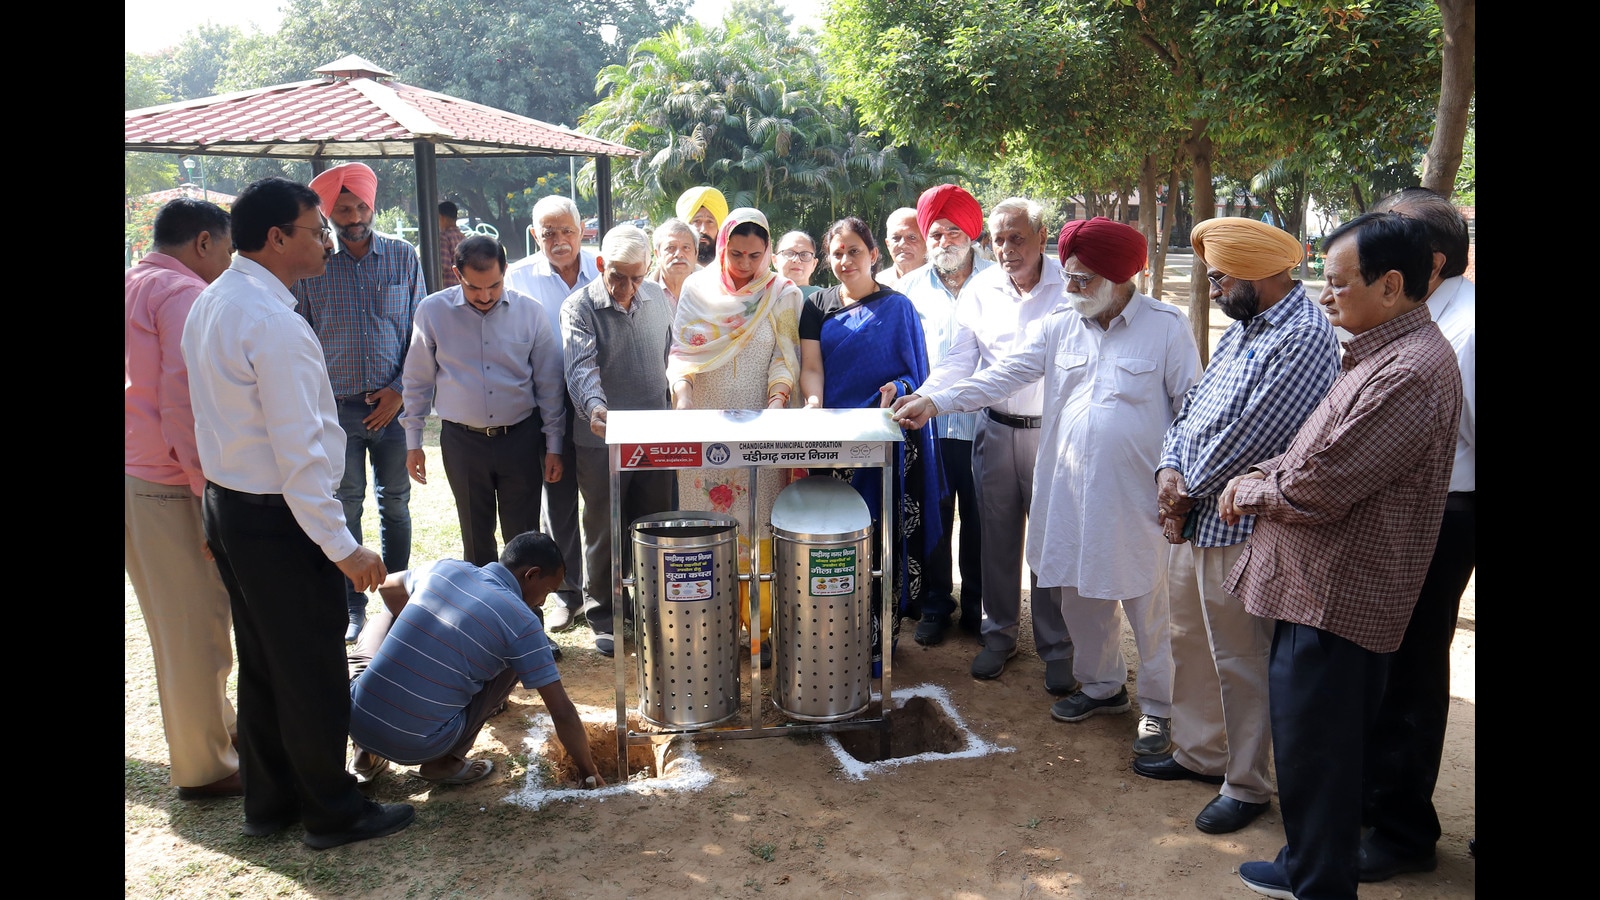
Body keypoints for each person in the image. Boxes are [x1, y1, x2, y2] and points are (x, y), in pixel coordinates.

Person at [892, 216, 1201, 758]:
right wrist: (936, 400)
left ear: (1118, 278)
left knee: (1143, 602)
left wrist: (1179, 477)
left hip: (1135, 497)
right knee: (1079, 594)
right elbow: (1003, 374)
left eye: (1083, 279)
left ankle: (1159, 708)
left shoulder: (1166, 326)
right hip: (1068, 486)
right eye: (1072, 276)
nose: (1072, 286)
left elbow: (1191, 409)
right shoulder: (1062, 324)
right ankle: (1103, 688)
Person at [1226, 212, 1463, 900]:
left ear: (1391, 286)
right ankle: (1308, 862)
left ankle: (1321, 883)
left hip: (1337, 596)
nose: (1325, 297)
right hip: (1317, 588)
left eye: (1337, 284)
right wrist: (1264, 477)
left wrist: (1250, 488)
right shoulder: (1379, 352)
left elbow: (1320, 485)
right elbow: (1312, 449)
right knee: (1307, 750)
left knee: (1319, 753)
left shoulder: (1408, 373)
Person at [182, 176, 413, 849]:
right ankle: (332, 811)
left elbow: (213, 422)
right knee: (310, 664)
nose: (326, 240)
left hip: (233, 506)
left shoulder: (216, 301)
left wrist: (211, 514)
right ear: (277, 238)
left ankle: (270, 801)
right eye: (315, 230)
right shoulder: (272, 323)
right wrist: (343, 546)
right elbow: (300, 454)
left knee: (262, 661)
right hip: (276, 517)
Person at [1137, 216, 1340, 835]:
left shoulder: (1303, 336)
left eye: (1222, 276)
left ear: (1261, 271)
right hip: (1197, 513)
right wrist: (1168, 468)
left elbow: (1256, 436)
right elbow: (1192, 411)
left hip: (1239, 522)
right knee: (1190, 641)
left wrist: (1182, 491)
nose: (1214, 285)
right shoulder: (1245, 331)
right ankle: (1202, 755)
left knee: (1242, 657)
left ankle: (1247, 784)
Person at [909, 198, 1077, 694]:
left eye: (1017, 238)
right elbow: (964, 358)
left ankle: (1056, 646)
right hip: (994, 428)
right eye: (998, 240)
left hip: (1054, 434)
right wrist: (926, 394)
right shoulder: (981, 290)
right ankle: (999, 635)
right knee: (996, 538)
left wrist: (938, 400)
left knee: (1050, 541)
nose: (1006, 249)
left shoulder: (1069, 285)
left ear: (1043, 236)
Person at [1357, 189, 1475, 882]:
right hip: (1410, 509)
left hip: (1448, 514)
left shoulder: (1465, 331)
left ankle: (1404, 833)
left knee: (1411, 673)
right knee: (1387, 667)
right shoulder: (1425, 316)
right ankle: (1379, 801)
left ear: (1431, 261)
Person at [126, 197, 241, 801]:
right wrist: (206, 497)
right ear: (203, 243)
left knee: (177, 624)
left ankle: (218, 736)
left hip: (137, 475)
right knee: (196, 627)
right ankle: (207, 768)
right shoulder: (183, 294)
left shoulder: (134, 283)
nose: (227, 260)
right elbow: (181, 402)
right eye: (225, 248)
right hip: (166, 483)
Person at [347, 532, 605, 788]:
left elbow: (387, 587)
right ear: (531, 574)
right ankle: (445, 761)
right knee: (515, 662)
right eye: (548, 590)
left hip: (355, 719)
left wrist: (420, 635)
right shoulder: (523, 623)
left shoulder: (445, 568)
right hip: (419, 746)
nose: (543, 601)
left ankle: (364, 754)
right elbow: (561, 711)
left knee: (382, 619)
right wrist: (588, 771)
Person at [800, 216, 943, 672]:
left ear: (873, 254)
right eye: (837, 253)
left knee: (879, 541)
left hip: (882, 443)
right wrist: (814, 403)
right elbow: (812, 366)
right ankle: (829, 637)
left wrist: (895, 390)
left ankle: (880, 645)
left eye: (854, 251)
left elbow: (916, 375)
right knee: (832, 539)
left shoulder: (898, 308)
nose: (845, 261)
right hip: (830, 441)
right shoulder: (816, 305)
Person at [295, 162, 426, 642]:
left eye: (361, 206)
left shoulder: (402, 255)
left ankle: (399, 602)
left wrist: (399, 391)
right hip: (335, 408)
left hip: (393, 406)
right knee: (345, 507)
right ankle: (351, 607)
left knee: (396, 504)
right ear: (328, 213)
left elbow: (420, 331)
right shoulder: (313, 267)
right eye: (342, 208)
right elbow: (301, 336)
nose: (353, 216)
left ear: (373, 206)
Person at [669, 207, 804, 668]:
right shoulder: (697, 288)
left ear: (769, 252)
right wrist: (683, 400)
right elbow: (682, 351)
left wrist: (778, 406)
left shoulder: (782, 293)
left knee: (757, 524)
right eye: (736, 253)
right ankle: (711, 628)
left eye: (755, 255)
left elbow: (786, 357)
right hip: (702, 429)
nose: (745, 265)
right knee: (708, 525)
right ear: (722, 246)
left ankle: (759, 632)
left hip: (761, 431)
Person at [400, 236, 567, 574]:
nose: (486, 296)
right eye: (474, 288)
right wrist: (413, 442)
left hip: (520, 437)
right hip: (462, 442)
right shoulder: (432, 312)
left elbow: (549, 385)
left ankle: (524, 618)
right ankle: (484, 619)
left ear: (505, 270)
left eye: (494, 285)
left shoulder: (529, 312)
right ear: (456, 274)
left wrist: (554, 445)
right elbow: (417, 381)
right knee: (475, 537)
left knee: (523, 538)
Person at [562, 225, 677, 657]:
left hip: (656, 439)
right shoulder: (578, 307)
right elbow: (580, 368)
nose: (628, 287)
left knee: (653, 525)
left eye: (637, 277)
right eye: (617, 276)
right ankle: (606, 613)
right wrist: (595, 407)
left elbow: (672, 359)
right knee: (605, 527)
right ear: (599, 266)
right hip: (600, 440)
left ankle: (652, 609)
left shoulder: (658, 302)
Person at [897, 184, 993, 644]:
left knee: (982, 519)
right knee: (933, 515)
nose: (944, 243)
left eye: (954, 232)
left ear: (972, 234)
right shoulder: (907, 290)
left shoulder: (999, 283)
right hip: (928, 426)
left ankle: (978, 607)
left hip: (986, 424)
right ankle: (935, 602)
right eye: (935, 234)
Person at [504, 196, 598, 632]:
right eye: (548, 233)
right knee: (557, 498)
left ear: (583, 230)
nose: (559, 241)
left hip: (601, 402)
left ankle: (607, 592)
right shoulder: (518, 277)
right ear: (534, 234)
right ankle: (566, 593)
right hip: (545, 403)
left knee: (602, 501)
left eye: (566, 231)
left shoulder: (604, 268)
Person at [647, 217, 698, 307]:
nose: (679, 254)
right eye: (670, 248)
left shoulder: (712, 289)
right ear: (657, 254)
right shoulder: (643, 293)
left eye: (686, 247)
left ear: (696, 253)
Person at [676, 186, 729, 267]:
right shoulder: (671, 270)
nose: (703, 230)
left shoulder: (731, 269)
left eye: (710, 222)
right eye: (697, 221)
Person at [875, 207, 926, 289]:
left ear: (926, 241)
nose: (903, 244)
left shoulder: (942, 282)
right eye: (896, 238)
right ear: (888, 244)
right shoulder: (876, 285)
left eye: (912, 237)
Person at [776, 230, 822, 300]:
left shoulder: (825, 299)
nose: (797, 260)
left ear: (814, 264)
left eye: (804, 254)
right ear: (775, 260)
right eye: (789, 253)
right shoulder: (760, 297)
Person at [438, 200, 466, 288]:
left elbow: (443, 265)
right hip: (462, 287)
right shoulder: (463, 237)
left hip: (447, 288)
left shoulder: (443, 237)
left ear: (440, 217)